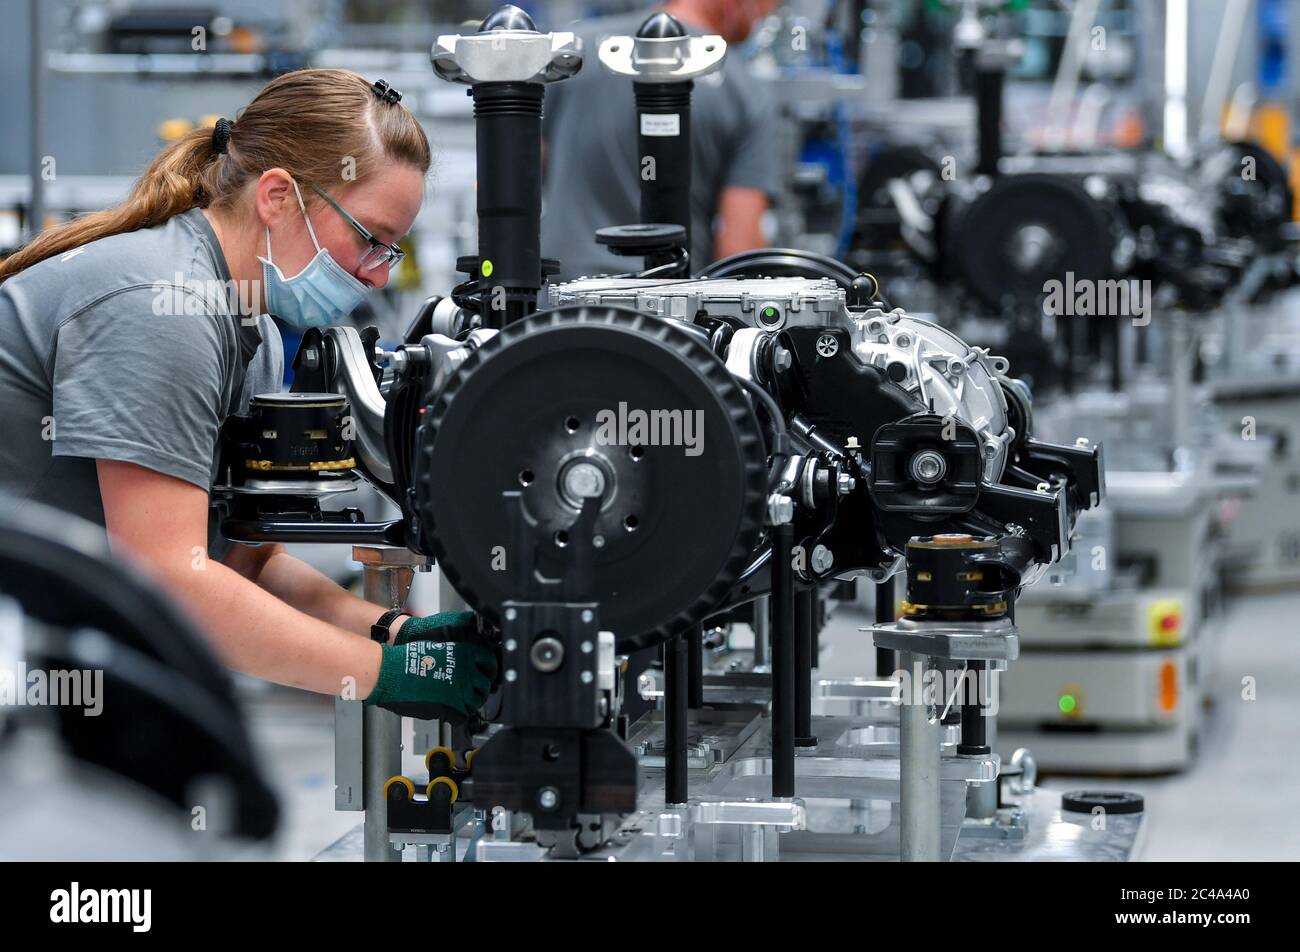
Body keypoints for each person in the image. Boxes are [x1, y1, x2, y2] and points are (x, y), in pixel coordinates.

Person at [0, 69, 495, 723]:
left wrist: (392, 633)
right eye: (369, 240)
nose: (377, 273)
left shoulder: (250, 323)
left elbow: (244, 560)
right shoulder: (159, 307)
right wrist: (390, 676)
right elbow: (173, 579)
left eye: (391, 250)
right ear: (279, 198)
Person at [541, 0, 783, 279]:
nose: (767, 15)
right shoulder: (745, 90)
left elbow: (518, 173)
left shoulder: (575, 55)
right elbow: (738, 251)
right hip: (668, 306)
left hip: (558, 302)